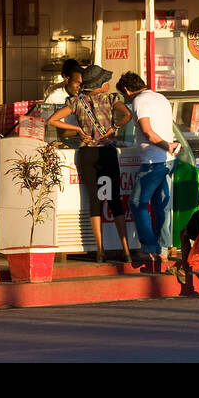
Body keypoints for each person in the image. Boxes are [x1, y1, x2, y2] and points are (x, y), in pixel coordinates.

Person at [47, 64, 134, 264]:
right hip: (107, 153)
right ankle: (126, 250)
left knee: (94, 202)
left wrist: (77, 129)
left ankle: (100, 251)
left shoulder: (77, 102)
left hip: (87, 154)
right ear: (102, 85)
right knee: (114, 201)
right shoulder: (112, 99)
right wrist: (113, 128)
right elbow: (127, 116)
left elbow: (52, 120)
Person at [116, 72, 182, 270]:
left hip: (154, 160)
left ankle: (149, 247)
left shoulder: (139, 101)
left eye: (124, 96)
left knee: (137, 203)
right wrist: (169, 148)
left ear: (127, 90)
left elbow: (147, 131)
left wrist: (166, 146)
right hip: (169, 160)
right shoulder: (160, 98)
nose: (126, 100)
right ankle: (162, 249)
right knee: (162, 205)